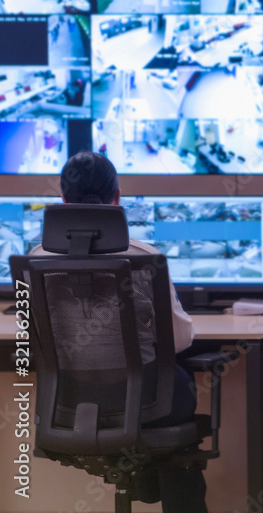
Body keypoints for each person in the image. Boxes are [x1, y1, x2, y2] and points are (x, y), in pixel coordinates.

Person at [30, 152, 205, 513]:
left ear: (63, 200)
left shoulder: (36, 260)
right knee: (176, 387)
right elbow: (182, 339)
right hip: (146, 405)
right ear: (118, 197)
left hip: (67, 404)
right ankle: (158, 474)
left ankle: (143, 472)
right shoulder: (144, 256)